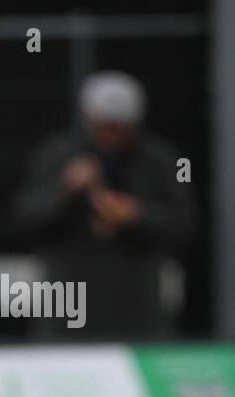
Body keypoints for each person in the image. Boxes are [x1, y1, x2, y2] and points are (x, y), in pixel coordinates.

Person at [14, 71, 194, 340]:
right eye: (104, 126)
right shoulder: (57, 155)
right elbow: (25, 219)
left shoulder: (159, 161)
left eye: (120, 127)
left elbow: (184, 225)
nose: (112, 136)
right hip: (67, 314)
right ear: (89, 120)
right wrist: (65, 190)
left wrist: (137, 214)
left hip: (138, 314)